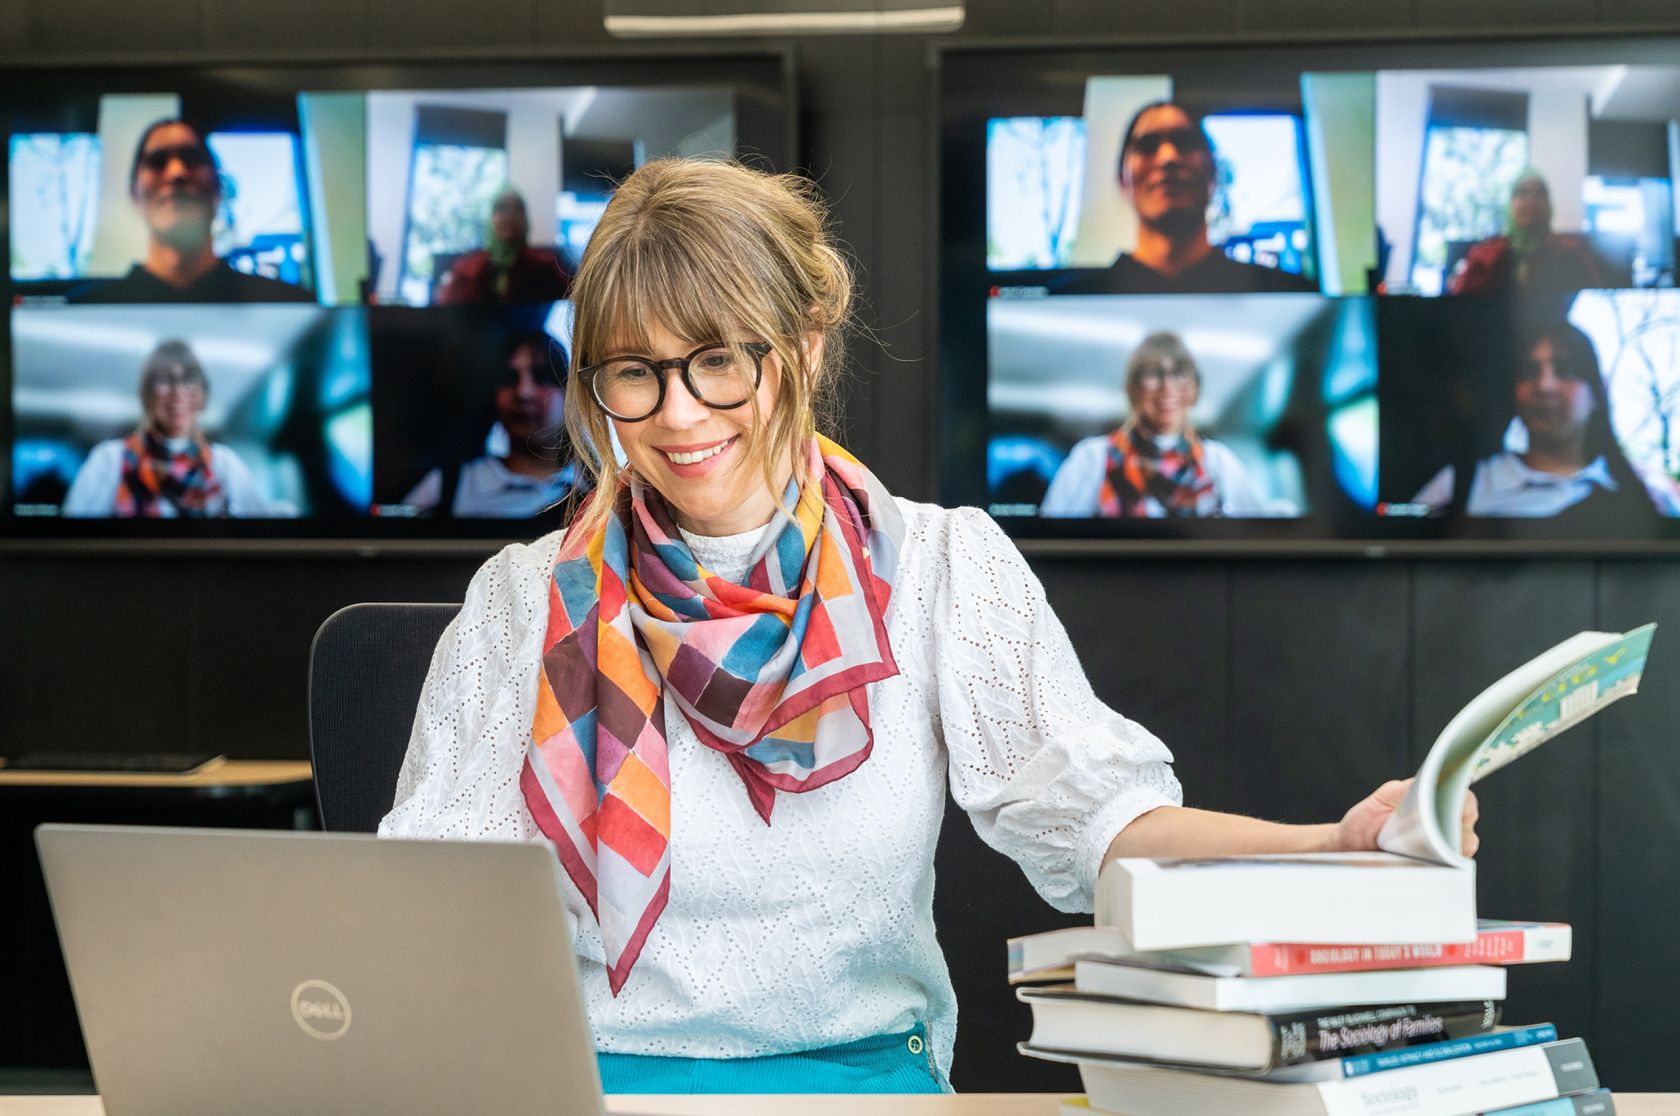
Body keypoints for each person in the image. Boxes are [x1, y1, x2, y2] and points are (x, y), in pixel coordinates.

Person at [379, 158, 1477, 1094]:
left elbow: (1104, 828)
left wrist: (1336, 846)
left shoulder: (945, 569)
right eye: (635, 371)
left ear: (803, 347)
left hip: (862, 1080)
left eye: (719, 359)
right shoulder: (522, 603)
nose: (677, 413)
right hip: (586, 1086)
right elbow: (429, 907)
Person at [1414, 319, 1669, 520]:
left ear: (1597, 395)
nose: (1545, 385)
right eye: (1530, 371)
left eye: (1565, 370)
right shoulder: (1463, 483)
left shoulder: (1646, 497)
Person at [1057, 101, 1317, 295]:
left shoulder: (1290, 296)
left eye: (1185, 142)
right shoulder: (1071, 302)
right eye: (1147, 145)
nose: (1168, 157)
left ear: (1213, 176)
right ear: (1123, 182)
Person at [68, 119, 313, 304]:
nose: (176, 173)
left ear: (217, 191)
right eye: (157, 161)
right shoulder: (86, 314)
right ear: (135, 196)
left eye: (192, 158)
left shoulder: (288, 307)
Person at [1040, 331, 1277, 517]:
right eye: (1153, 374)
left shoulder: (1218, 463)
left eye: (1180, 373)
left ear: (1194, 390)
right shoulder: (1092, 458)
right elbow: (1052, 537)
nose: (1168, 387)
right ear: (1132, 388)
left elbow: (1258, 535)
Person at [62, 339, 283, 517]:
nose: (177, 393)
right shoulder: (109, 460)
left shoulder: (225, 465)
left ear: (202, 396)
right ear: (146, 394)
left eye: (189, 380)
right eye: (164, 380)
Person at [402, 330, 583, 517]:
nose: (523, 393)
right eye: (510, 378)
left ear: (568, 394)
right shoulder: (448, 484)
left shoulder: (597, 491)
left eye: (541, 377)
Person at [1448, 170, 1608, 301]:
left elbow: (1595, 298)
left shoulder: (1571, 251)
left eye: (1539, 194)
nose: (1531, 200)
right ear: (1510, 203)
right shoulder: (1486, 254)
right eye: (1522, 193)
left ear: (1548, 204)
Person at [434, 186, 573, 306]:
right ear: (490, 218)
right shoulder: (468, 268)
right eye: (501, 209)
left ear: (525, 219)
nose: (509, 217)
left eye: (517, 210)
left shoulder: (547, 265)